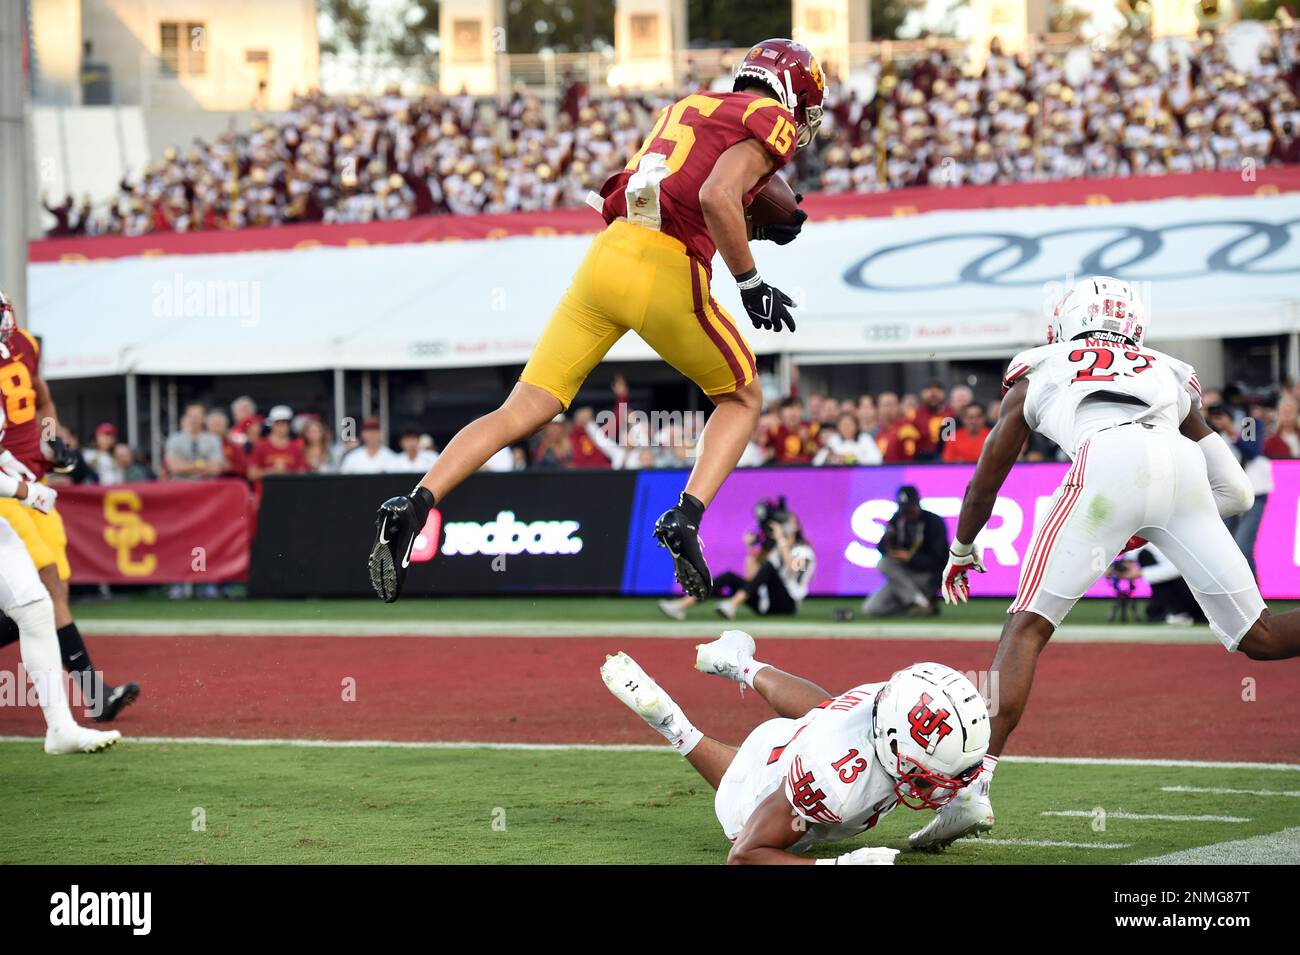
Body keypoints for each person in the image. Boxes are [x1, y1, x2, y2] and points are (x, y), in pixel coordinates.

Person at [366, 39, 826, 603]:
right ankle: (685, 515)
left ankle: (413, 504)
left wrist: (751, 211)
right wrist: (750, 280)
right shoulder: (771, 117)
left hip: (606, 257)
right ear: (790, 91)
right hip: (666, 266)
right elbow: (715, 194)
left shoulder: (686, 106)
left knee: (522, 408)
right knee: (741, 398)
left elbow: (697, 185)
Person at [921, 276, 1300, 851]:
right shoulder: (1168, 370)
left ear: (1066, 318)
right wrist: (1147, 526)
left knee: (1025, 628)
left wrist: (962, 548)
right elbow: (1240, 495)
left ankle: (972, 788)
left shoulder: (1042, 364)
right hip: (1180, 467)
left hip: (1107, 459)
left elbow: (987, 475)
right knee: (1262, 635)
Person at [600, 631, 989, 864]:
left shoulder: (889, 698)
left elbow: (829, 709)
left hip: (814, 732)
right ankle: (670, 721)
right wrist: (834, 863)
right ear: (893, 744)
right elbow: (746, 856)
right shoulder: (834, 787)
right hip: (772, 780)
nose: (946, 784)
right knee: (744, 809)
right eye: (938, 777)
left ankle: (739, 663)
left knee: (830, 710)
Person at [0, 290, 139, 721]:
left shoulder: (24, 344)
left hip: (35, 482)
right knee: (43, 595)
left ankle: (95, 696)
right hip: (9, 493)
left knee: (51, 593)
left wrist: (49, 437)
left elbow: (40, 395)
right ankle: (95, 695)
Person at [659, 500, 816, 620]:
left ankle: (732, 605)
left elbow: (794, 571)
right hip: (765, 602)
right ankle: (681, 606)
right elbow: (751, 578)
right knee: (729, 577)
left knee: (769, 567)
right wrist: (750, 549)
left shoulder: (805, 552)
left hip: (787, 605)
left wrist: (781, 540)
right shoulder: (775, 550)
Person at [862, 485, 949, 617]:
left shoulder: (933, 522)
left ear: (918, 504)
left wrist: (910, 558)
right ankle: (920, 605)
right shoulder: (898, 519)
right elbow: (882, 549)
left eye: (910, 509)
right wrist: (888, 543)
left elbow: (938, 559)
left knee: (886, 566)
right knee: (871, 609)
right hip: (903, 577)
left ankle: (919, 602)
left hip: (926, 576)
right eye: (904, 510)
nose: (907, 514)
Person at [164, 403, 224, 479]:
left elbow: (215, 468)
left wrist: (186, 465)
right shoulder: (174, 439)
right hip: (180, 486)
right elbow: (175, 467)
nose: (194, 419)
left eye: (197, 416)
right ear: (186, 417)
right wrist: (204, 464)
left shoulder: (213, 440)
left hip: (207, 486)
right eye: (191, 416)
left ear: (204, 418)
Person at [247, 405, 308, 480]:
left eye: (284, 424)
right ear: (272, 425)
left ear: (289, 426)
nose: (281, 427)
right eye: (277, 424)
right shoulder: (260, 446)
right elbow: (251, 474)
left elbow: (302, 474)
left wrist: (286, 472)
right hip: (266, 490)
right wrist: (273, 471)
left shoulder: (296, 447)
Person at [813, 411, 881, 465]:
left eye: (849, 424)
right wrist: (831, 458)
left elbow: (877, 459)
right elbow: (817, 461)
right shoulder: (833, 439)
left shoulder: (865, 438)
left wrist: (856, 459)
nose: (846, 428)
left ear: (856, 426)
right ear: (838, 427)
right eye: (843, 424)